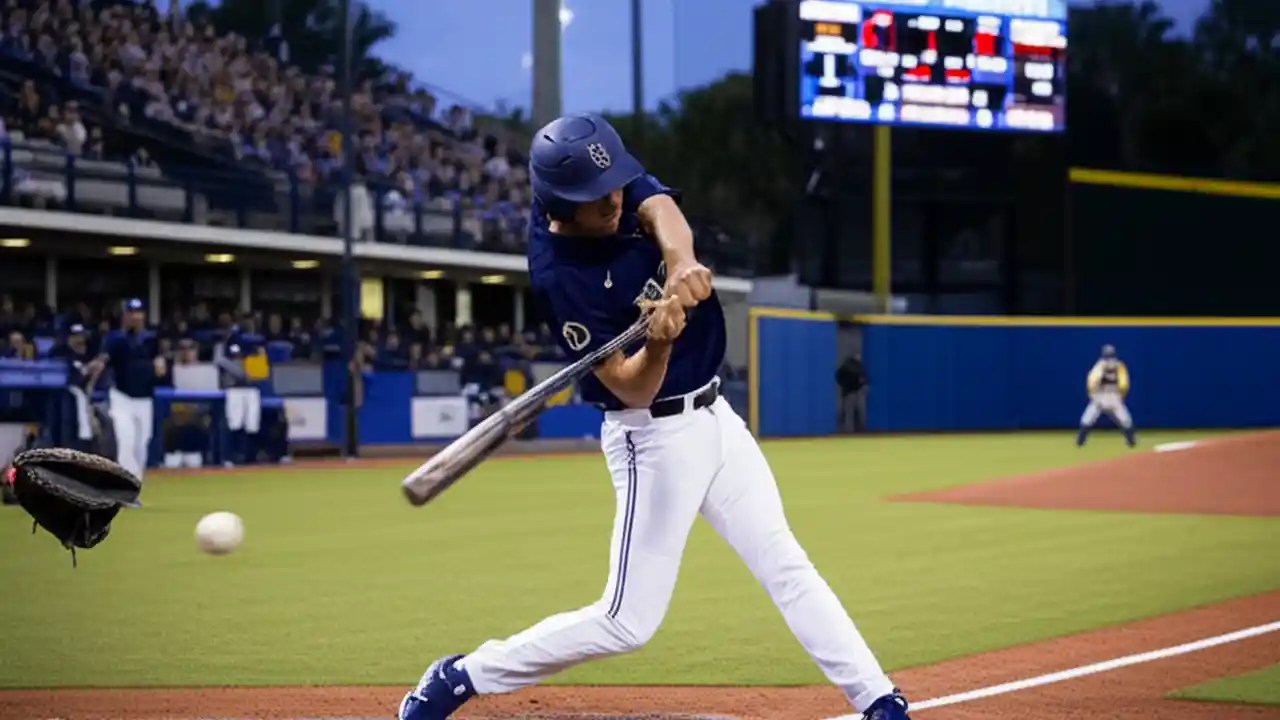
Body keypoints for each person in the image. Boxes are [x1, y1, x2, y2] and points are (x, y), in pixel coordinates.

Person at [398, 114, 912, 720]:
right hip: (655, 438)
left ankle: (877, 698)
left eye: (616, 184)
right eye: (600, 198)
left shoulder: (603, 182)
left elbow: (660, 207)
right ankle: (464, 674)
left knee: (785, 563)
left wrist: (682, 261)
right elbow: (631, 389)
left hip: (717, 418)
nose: (616, 198)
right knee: (626, 622)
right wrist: (660, 342)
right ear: (563, 205)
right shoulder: (562, 277)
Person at [103, 298, 165, 481]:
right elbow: (104, 361)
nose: (136, 317)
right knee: (126, 441)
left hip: (144, 398)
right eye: (132, 313)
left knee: (142, 443)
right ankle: (126, 487)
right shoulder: (115, 339)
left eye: (139, 313)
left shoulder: (151, 338)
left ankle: (135, 483)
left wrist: (159, 365)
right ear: (125, 315)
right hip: (122, 397)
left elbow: (159, 363)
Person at [1076, 343, 1136, 447]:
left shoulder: (1100, 365)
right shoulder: (1119, 365)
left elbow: (1092, 381)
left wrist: (1092, 394)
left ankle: (1081, 440)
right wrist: (1122, 395)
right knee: (1124, 418)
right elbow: (1124, 383)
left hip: (1100, 395)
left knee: (1088, 417)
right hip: (1114, 396)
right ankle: (1131, 440)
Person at [836, 353, 869, 432]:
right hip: (850, 392)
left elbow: (863, 378)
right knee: (851, 412)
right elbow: (839, 376)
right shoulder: (850, 366)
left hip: (855, 391)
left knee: (857, 411)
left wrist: (864, 385)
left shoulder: (858, 366)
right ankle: (851, 429)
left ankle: (855, 428)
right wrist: (846, 384)